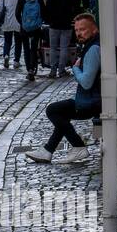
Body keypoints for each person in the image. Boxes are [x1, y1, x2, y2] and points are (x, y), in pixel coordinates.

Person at [27, 13, 101, 164]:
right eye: (77, 30)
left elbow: (86, 82)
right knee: (62, 114)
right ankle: (47, 151)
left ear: (94, 30)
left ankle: (78, 146)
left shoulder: (93, 49)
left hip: (92, 102)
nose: (79, 33)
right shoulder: (91, 45)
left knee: (53, 110)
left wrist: (75, 69)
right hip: (93, 99)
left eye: (83, 29)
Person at [45, 0, 79, 79]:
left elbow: (47, 9)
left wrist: (49, 20)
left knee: (53, 48)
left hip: (54, 24)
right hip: (66, 24)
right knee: (64, 48)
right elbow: (78, 4)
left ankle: (53, 70)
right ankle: (61, 70)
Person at [16, 0, 46, 82]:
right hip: (36, 29)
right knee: (33, 49)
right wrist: (39, 23)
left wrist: (23, 23)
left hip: (24, 29)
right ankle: (33, 69)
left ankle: (29, 69)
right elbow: (44, 13)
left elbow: (17, 14)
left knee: (26, 49)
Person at [0, 0, 22, 68]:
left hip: (7, 22)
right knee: (18, 42)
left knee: (7, 41)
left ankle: (6, 55)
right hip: (18, 22)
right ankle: (16, 61)